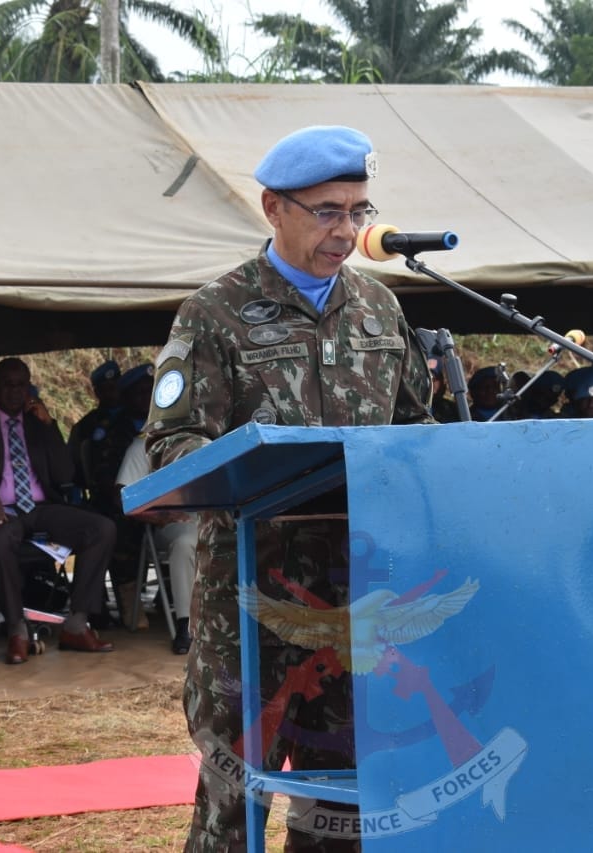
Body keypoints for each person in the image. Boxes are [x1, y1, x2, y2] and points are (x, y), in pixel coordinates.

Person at [143, 124, 434, 852]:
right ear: (274, 208)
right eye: (328, 210)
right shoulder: (215, 313)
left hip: (356, 594)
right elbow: (172, 444)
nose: (347, 230)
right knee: (234, 796)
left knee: (342, 803)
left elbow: (416, 431)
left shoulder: (380, 310)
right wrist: (257, 468)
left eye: (359, 210)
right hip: (250, 599)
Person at [0, 357, 116, 665]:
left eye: (21, 385)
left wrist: (50, 426)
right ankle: (17, 630)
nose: (15, 392)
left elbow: (65, 474)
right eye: (8, 385)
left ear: (29, 388)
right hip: (0, 510)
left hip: (42, 508)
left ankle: (77, 624)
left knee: (102, 528)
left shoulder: (37, 422)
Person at [87, 363, 157, 628]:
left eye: (151, 392)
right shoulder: (113, 431)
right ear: (125, 397)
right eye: (139, 393)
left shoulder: (166, 426)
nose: (146, 399)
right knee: (120, 528)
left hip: (163, 503)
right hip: (121, 503)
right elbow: (105, 481)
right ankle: (130, 600)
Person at [116, 435, 198, 655]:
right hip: (175, 521)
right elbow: (124, 497)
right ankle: (186, 625)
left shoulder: (213, 436)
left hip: (217, 516)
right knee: (186, 543)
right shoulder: (143, 445)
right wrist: (161, 516)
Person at [67, 359, 122, 490]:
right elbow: (72, 467)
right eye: (106, 389)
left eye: (115, 386)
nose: (112, 392)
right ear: (97, 392)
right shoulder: (85, 426)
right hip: (102, 495)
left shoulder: (139, 414)